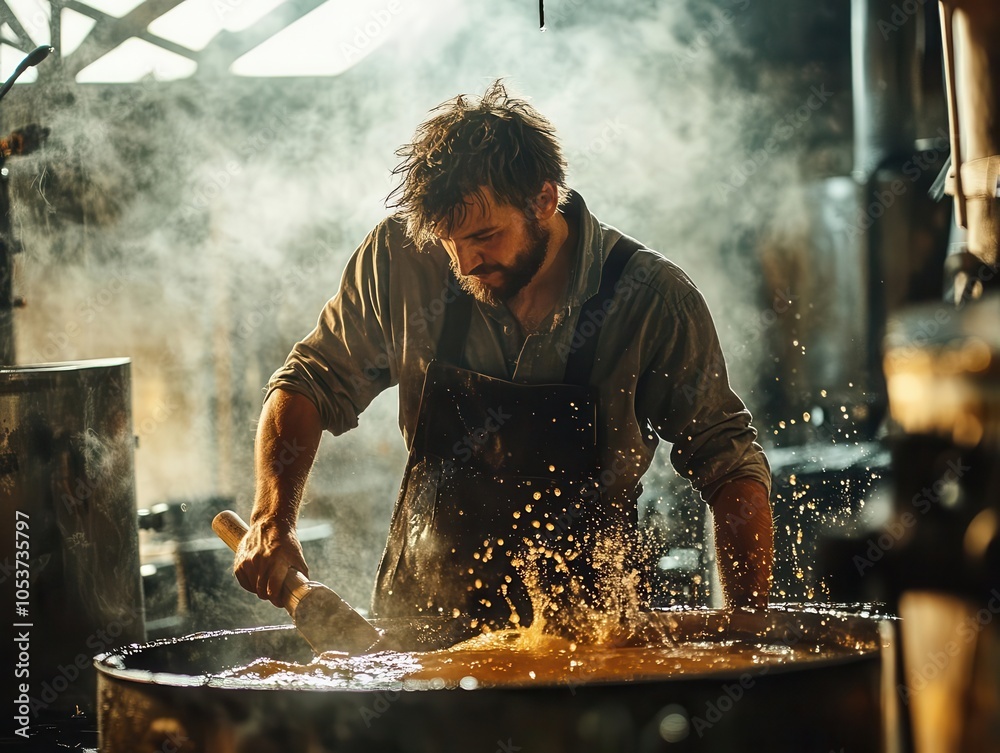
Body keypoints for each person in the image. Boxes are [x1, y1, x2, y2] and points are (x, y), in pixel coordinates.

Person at [233, 80, 773, 636]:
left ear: (544, 200)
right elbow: (308, 383)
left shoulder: (652, 300)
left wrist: (747, 632)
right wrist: (272, 518)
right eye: (448, 240)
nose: (465, 263)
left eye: (485, 236)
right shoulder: (402, 260)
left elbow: (728, 465)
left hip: (589, 641)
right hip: (421, 630)